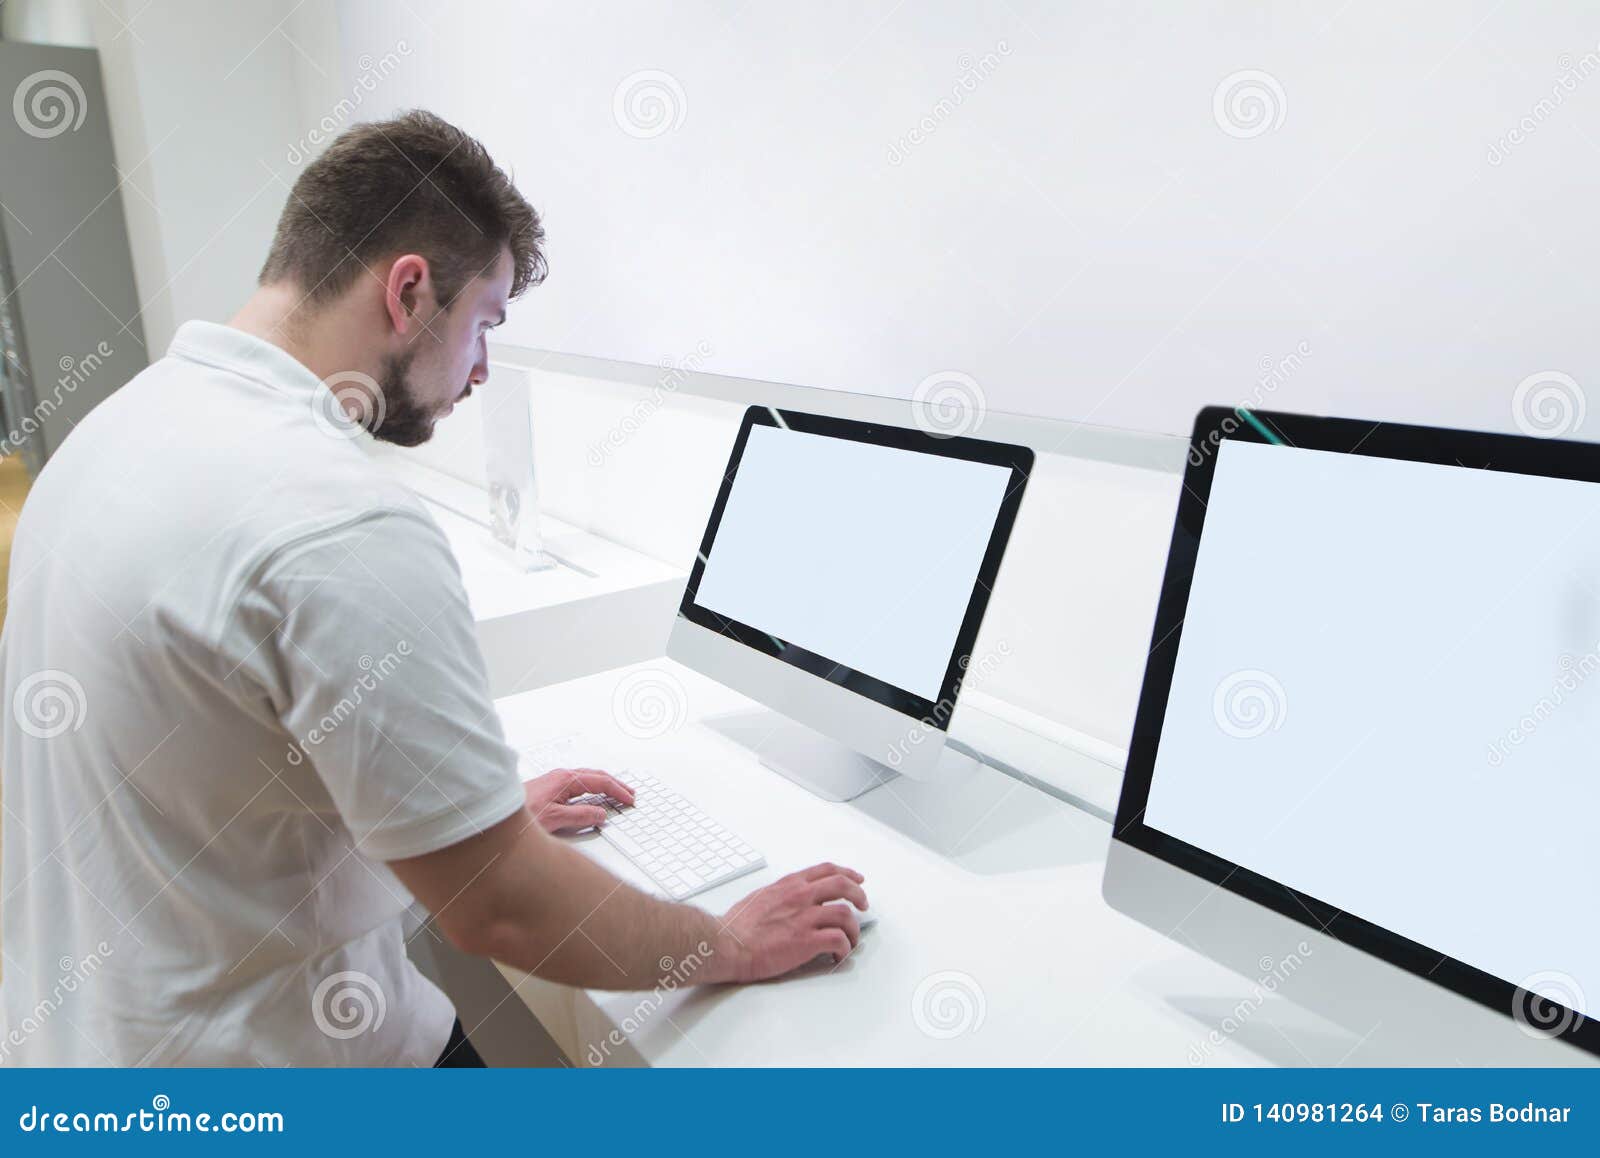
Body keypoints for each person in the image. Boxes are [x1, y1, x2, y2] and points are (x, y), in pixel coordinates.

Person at [0, 110, 866, 1068]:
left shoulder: (115, 430)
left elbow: (217, 774)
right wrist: (731, 943)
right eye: (484, 323)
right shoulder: (340, 522)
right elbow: (501, 910)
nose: (484, 369)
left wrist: (451, 818)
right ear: (410, 290)